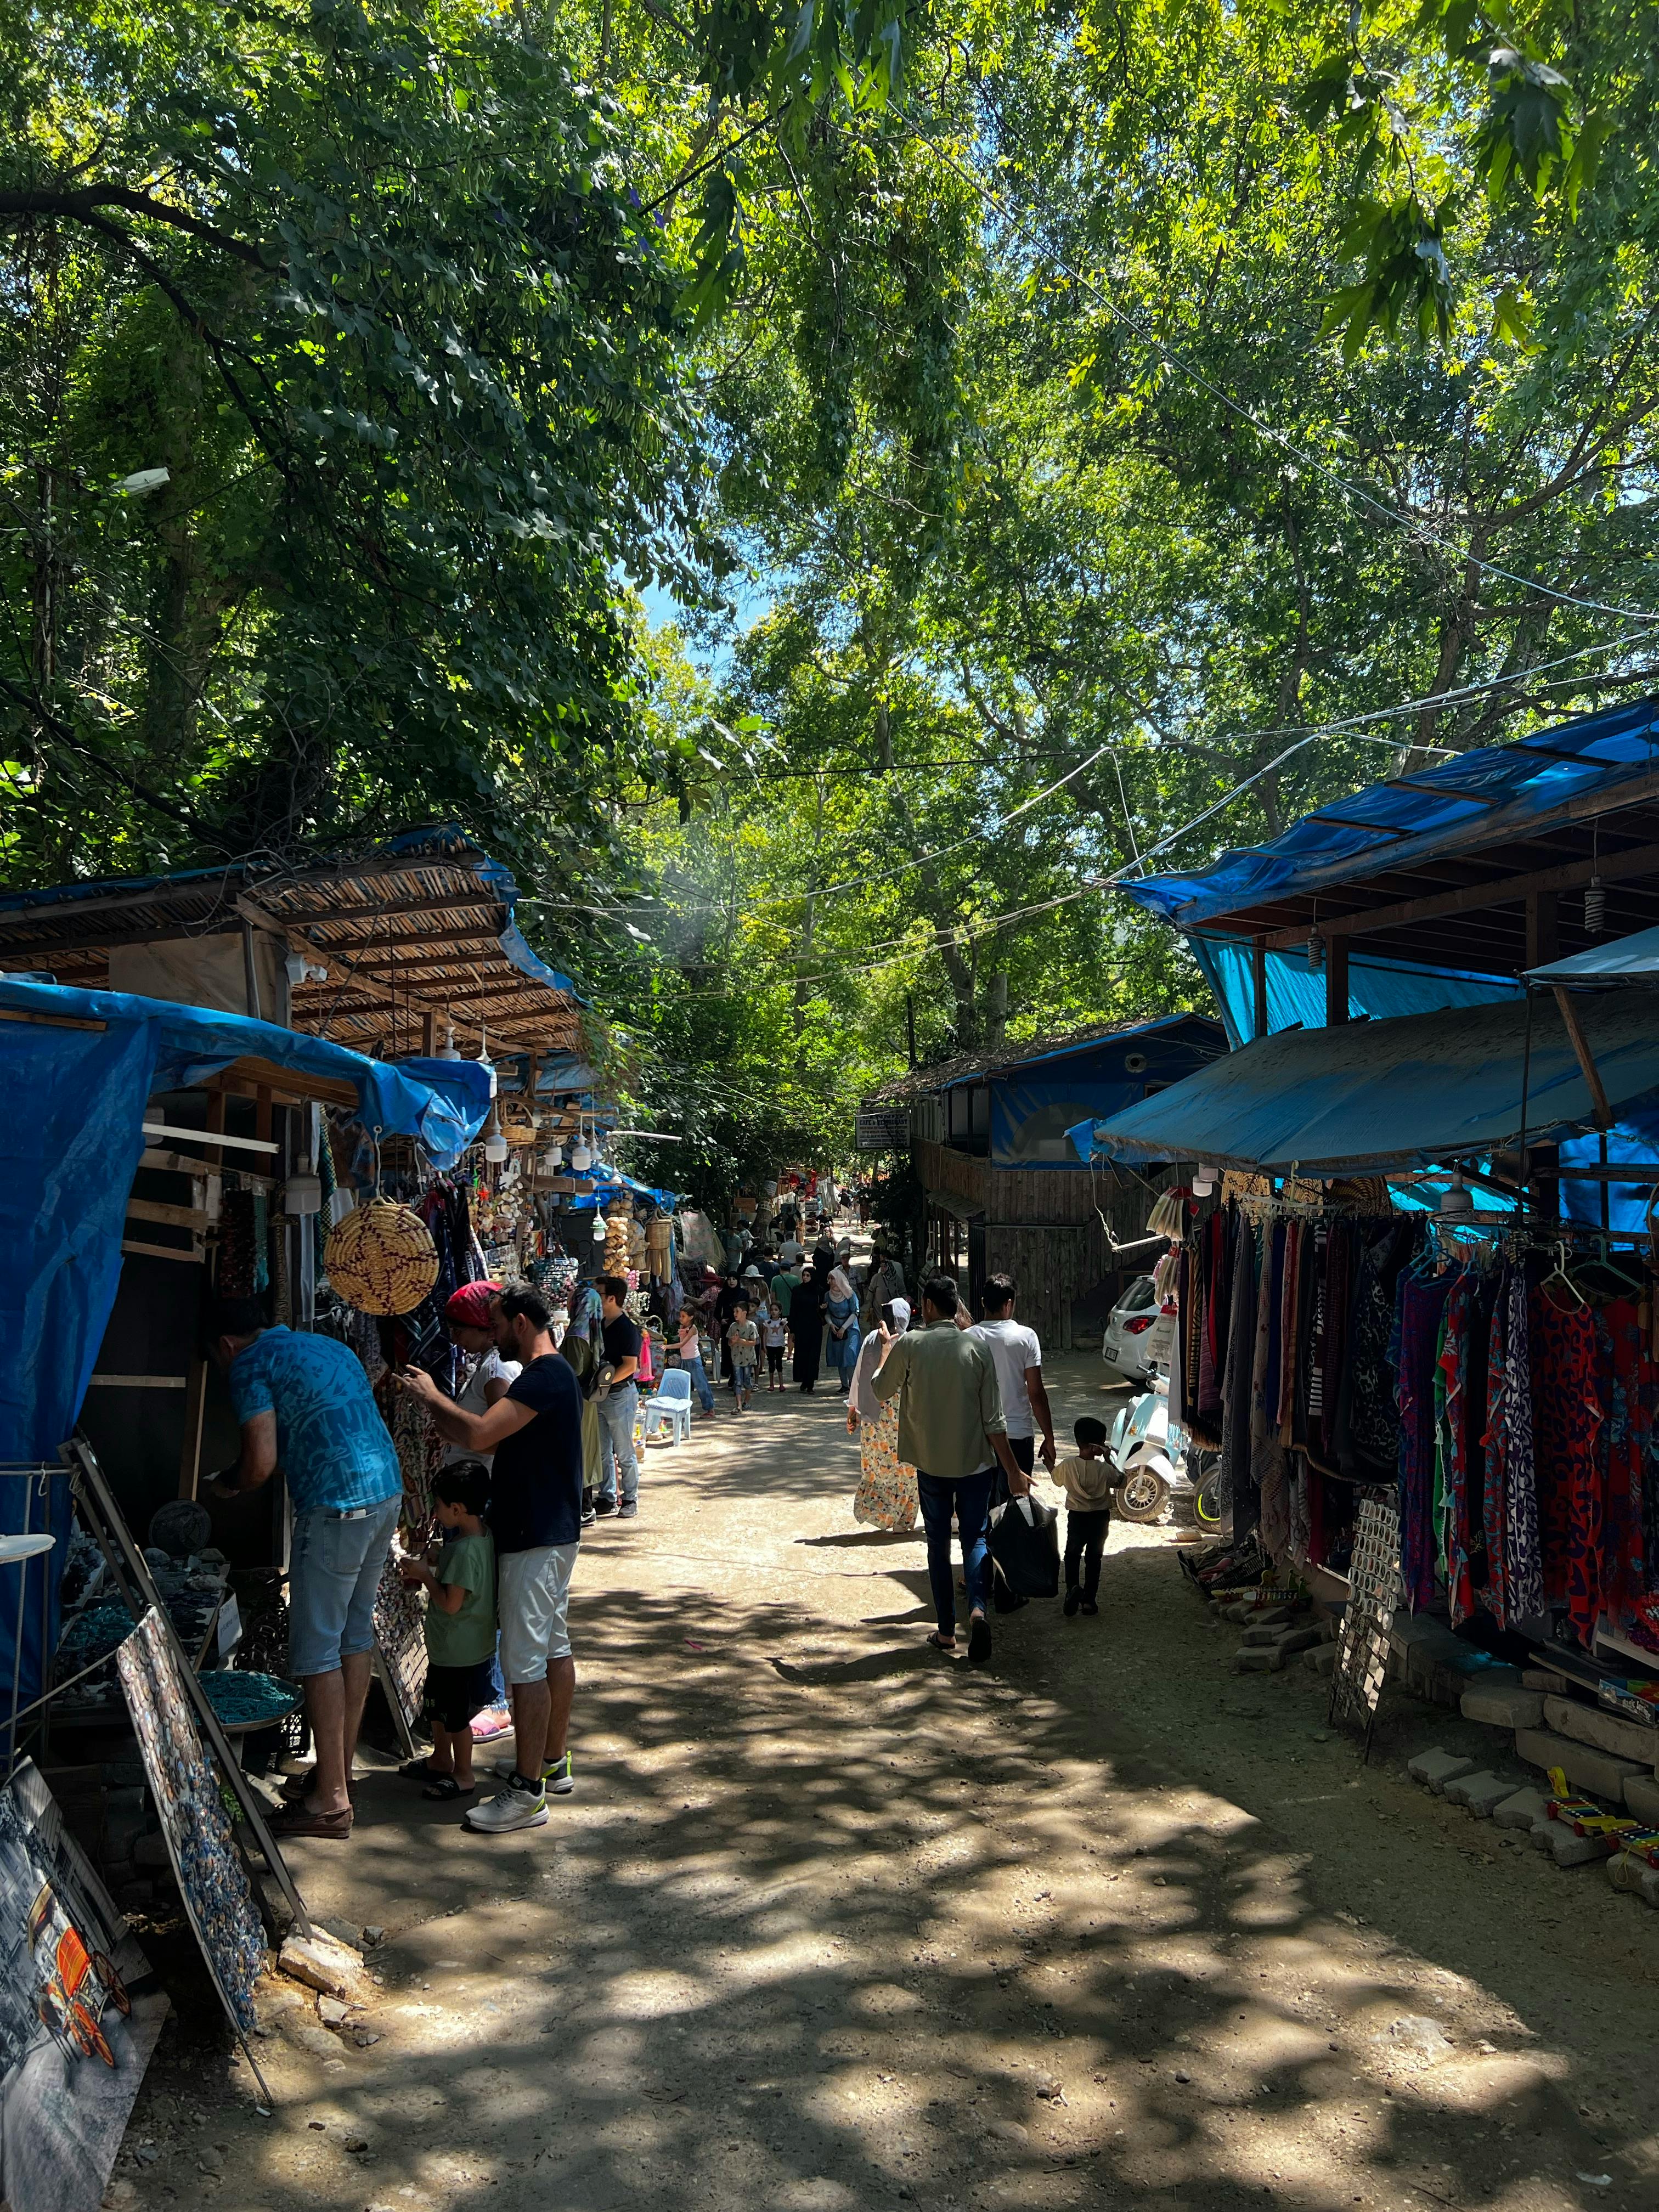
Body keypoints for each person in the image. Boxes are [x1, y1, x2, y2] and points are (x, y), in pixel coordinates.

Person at [205, 1297, 402, 1841]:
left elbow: (261, 1462)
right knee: (353, 1638)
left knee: (316, 1651)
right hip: (385, 1493)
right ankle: (336, 1775)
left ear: (225, 1346)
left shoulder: (249, 1364)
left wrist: (227, 1484)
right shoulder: (324, 1344)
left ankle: (330, 1802)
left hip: (337, 1505)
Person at [394, 1285, 583, 1835]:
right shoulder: (552, 1376)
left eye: (498, 1324)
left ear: (521, 1323)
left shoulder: (543, 1378)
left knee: (525, 1664)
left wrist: (430, 1396)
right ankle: (550, 1763)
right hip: (548, 1535)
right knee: (551, 1648)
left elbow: (478, 1433)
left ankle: (527, 1793)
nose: (494, 1335)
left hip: (535, 1538)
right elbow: (481, 1438)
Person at [871, 1272, 1027, 1663]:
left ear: (925, 1307)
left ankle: (945, 1631)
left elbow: (879, 1390)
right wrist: (1011, 1469)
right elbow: (995, 1420)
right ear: (957, 1307)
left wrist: (887, 1353)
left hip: (930, 1464)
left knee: (937, 1545)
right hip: (976, 1464)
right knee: (975, 1538)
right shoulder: (976, 1350)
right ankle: (977, 1611)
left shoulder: (910, 1345)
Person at [440, 1280, 519, 1741]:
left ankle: (495, 1702)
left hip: (478, 1502)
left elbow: (495, 1434)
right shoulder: (487, 1364)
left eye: (458, 1328)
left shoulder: (496, 1371)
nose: (453, 1337)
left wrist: (443, 1411)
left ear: (483, 1329)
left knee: (478, 1601)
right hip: (473, 1499)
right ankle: (486, 1694)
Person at [398, 1459, 497, 1802]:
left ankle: (464, 1774)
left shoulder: (466, 1552)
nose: (436, 1512)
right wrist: (439, 1558)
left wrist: (426, 1575)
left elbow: (452, 1603)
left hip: (459, 1651)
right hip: (457, 1648)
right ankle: (442, 1759)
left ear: (456, 1509)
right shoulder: (480, 1538)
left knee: (455, 1718)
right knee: (438, 1707)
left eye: (439, 1506)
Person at [968, 1273, 1057, 1486]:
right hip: (1018, 1434)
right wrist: (1049, 1437)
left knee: (982, 1508)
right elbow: (1036, 1393)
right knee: (1016, 1508)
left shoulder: (968, 1337)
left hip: (979, 1436)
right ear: (1009, 1304)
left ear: (983, 1303)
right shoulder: (1026, 1337)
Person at [847, 1296, 917, 1530]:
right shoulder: (910, 1342)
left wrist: (853, 1408)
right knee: (906, 1470)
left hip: (872, 1416)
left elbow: (858, 1374)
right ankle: (903, 1519)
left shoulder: (870, 1339)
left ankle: (882, 1515)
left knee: (878, 1469)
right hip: (902, 1419)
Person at [1051, 1416, 1114, 1617]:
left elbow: (1056, 1479)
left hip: (1077, 1517)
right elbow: (1121, 1481)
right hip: (1100, 1518)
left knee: (1072, 1555)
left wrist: (1048, 1464)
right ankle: (1089, 1601)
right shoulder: (1105, 1469)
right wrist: (1109, 1459)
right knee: (1094, 1558)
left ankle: (1072, 1589)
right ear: (1097, 1447)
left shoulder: (1068, 1465)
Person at [789, 1256, 828, 1392]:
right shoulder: (797, 1290)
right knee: (802, 1355)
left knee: (814, 1356)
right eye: (804, 1275)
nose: (805, 1278)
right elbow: (793, 1310)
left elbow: (824, 1309)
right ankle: (804, 1381)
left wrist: (823, 1309)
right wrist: (792, 1330)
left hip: (815, 1327)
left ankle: (810, 1383)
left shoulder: (819, 1291)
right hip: (801, 1327)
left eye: (807, 1275)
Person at [823, 1265, 862, 1397]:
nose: (829, 1282)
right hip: (836, 1327)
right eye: (829, 1279)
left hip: (850, 1328)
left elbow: (855, 1312)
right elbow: (827, 1313)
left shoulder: (850, 1294)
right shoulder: (828, 1296)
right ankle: (844, 1385)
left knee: (849, 1356)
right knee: (840, 1357)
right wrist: (831, 1324)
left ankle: (853, 1385)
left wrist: (844, 1328)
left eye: (832, 1279)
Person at [675, 1302, 717, 1414]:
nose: (681, 1318)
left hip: (693, 1359)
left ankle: (710, 1409)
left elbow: (682, 1344)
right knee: (684, 1386)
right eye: (681, 1316)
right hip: (685, 1359)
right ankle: (682, 1409)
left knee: (701, 1385)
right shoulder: (682, 1327)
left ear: (691, 1317)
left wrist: (667, 1346)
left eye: (684, 1316)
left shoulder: (693, 1329)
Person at [728, 1299, 759, 1412]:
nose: (735, 1314)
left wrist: (740, 1340)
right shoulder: (733, 1326)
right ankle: (739, 1405)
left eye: (738, 1311)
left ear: (745, 1313)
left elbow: (754, 1342)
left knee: (747, 1380)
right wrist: (733, 1341)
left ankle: (747, 1401)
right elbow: (729, 1343)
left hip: (748, 1359)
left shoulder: (751, 1326)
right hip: (736, 1358)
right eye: (734, 1311)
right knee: (738, 1382)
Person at [762, 1294, 787, 1391]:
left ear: (780, 1311)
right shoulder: (767, 1322)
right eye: (772, 1310)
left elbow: (789, 1332)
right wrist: (764, 1346)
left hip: (780, 1346)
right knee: (771, 1366)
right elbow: (764, 1334)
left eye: (776, 1310)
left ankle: (781, 1384)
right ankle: (771, 1384)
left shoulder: (783, 1322)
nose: (773, 1312)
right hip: (770, 1346)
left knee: (779, 1365)